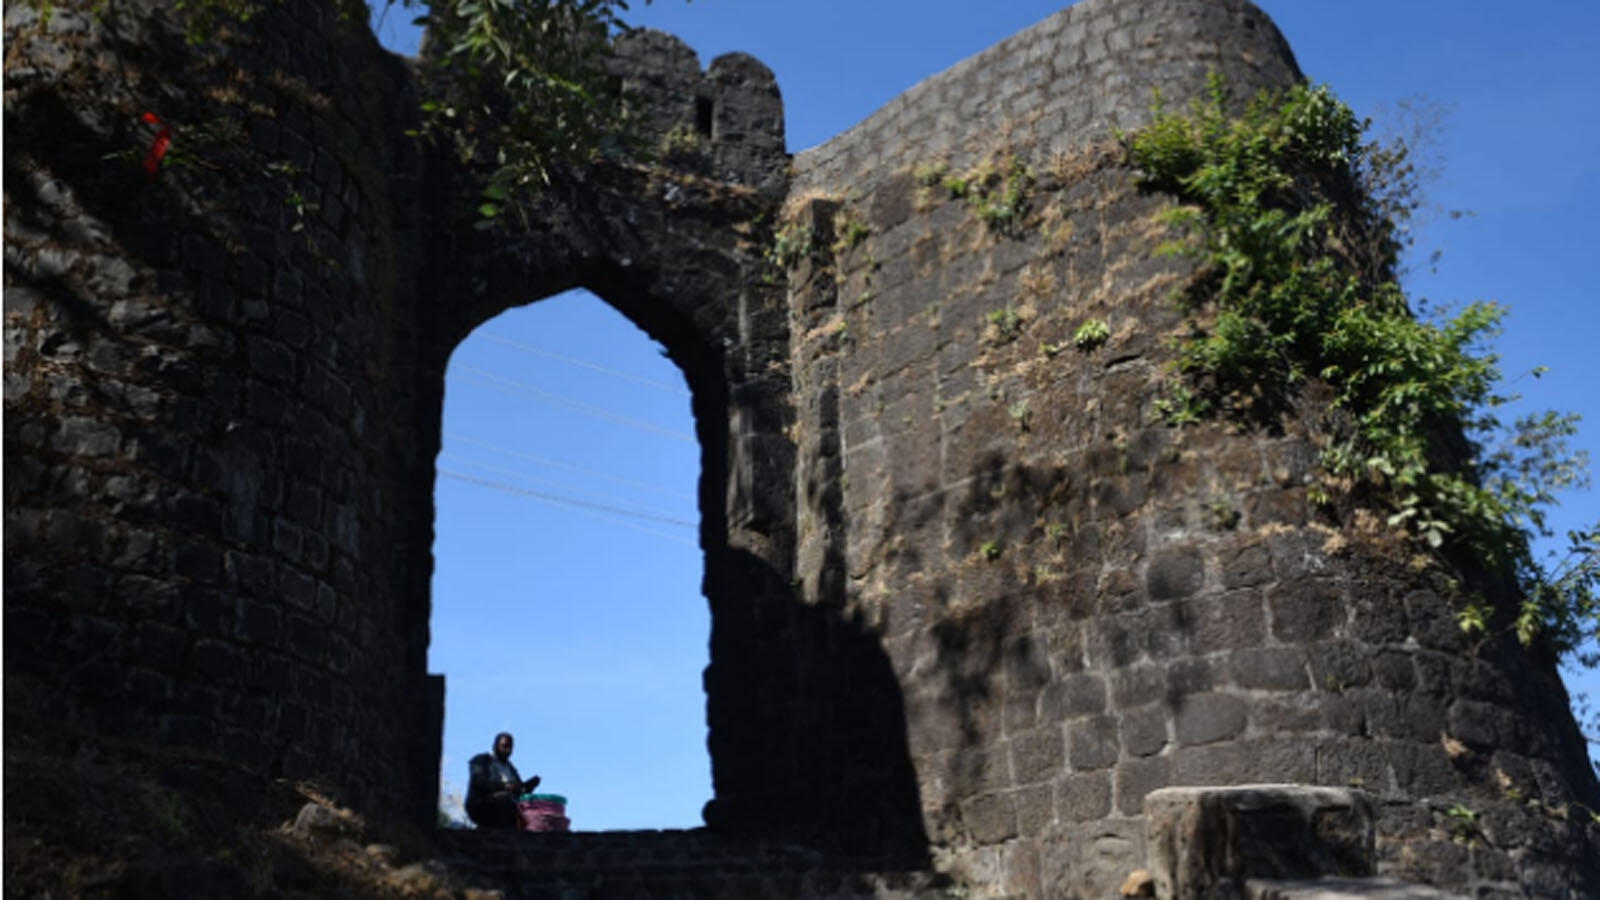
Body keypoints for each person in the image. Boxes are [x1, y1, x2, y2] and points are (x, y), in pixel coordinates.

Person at [465, 732, 541, 829]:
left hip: (509, 808)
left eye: (510, 747)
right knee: (504, 799)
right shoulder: (481, 760)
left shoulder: (511, 768)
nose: (508, 750)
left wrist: (529, 786)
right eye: (504, 746)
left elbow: (519, 792)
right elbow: (479, 782)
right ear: (494, 746)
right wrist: (505, 786)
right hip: (482, 805)